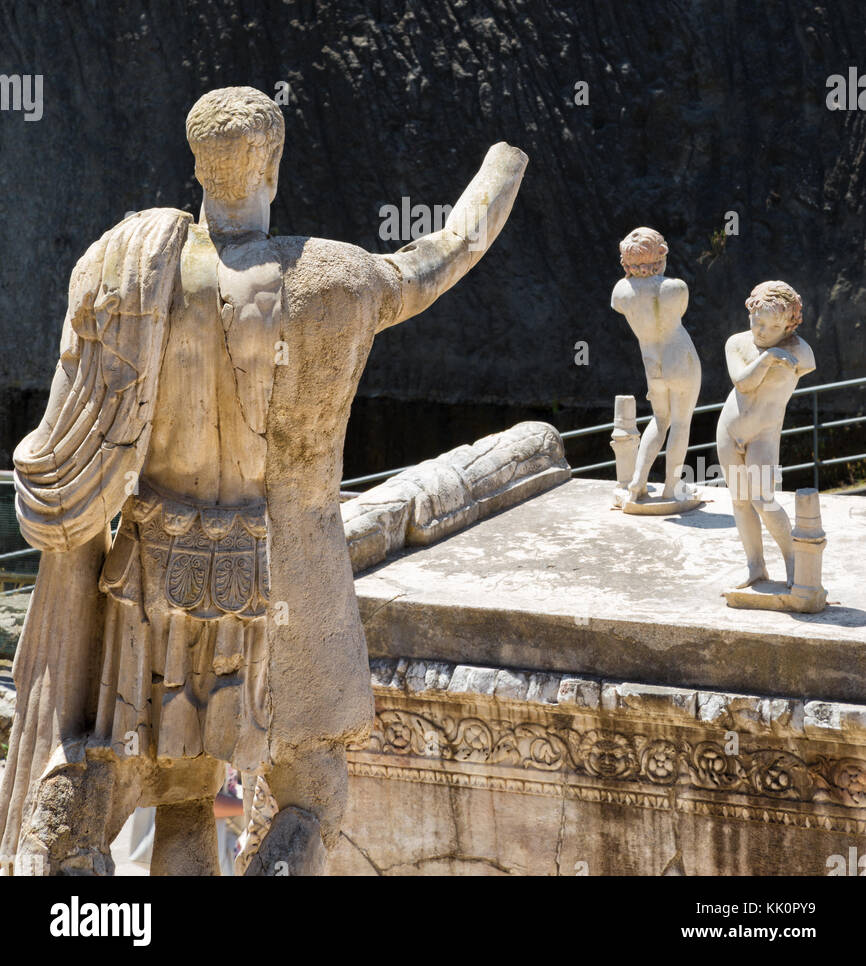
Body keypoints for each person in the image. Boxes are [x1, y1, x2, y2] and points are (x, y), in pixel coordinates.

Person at [0, 86, 527, 876]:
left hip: (150, 571)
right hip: (278, 576)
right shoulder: (334, 281)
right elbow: (448, 250)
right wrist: (505, 163)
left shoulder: (126, 271)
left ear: (198, 164)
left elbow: (60, 446)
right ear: (272, 161)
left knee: (180, 794)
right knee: (312, 793)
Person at [716, 281, 815, 588]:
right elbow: (743, 383)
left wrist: (776, 352)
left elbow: (801, 366)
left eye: (772, 326)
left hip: (764, 435)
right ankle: (755, 566)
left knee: (763, 499)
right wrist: (768, 356)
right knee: (740, 501)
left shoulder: (801, 352)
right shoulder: (737, 343)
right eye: (757, 321)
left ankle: (793, 561)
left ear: (789, 325)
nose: (761, 330)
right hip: (729, 430)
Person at [611, 227, 701, 503]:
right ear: (660, 257)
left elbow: (621, 304)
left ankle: (638, 482)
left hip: (652, 364)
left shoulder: (621, 292)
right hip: (680, 358)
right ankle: (672, 487)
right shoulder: (676, 289)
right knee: (681, 423)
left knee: (660, 420)